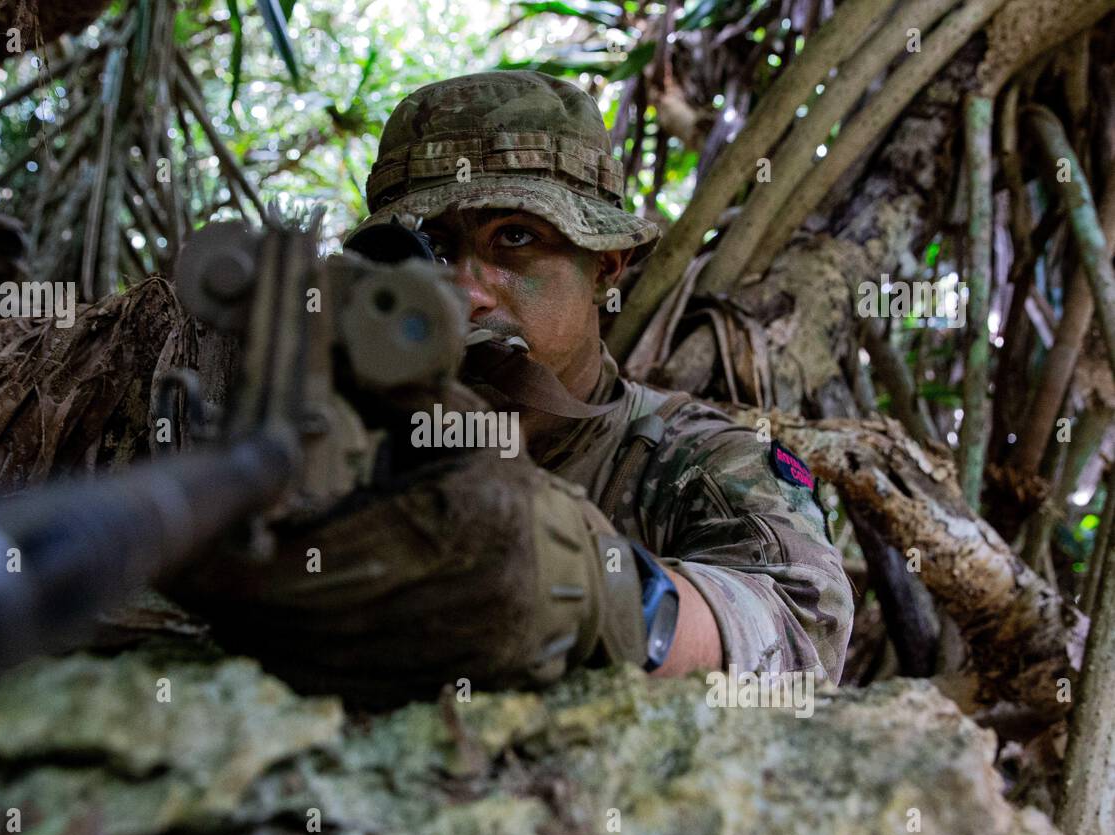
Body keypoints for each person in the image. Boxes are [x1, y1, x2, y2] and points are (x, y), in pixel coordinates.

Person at [173, 71, 853, 707]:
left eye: (516, 238)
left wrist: (590, 592)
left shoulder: (692, 459)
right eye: (431, 252)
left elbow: (800, 638)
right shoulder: (331, 426)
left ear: (604, 266)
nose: (466, 291)